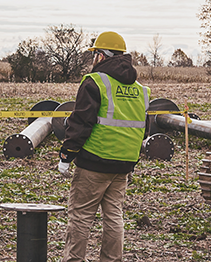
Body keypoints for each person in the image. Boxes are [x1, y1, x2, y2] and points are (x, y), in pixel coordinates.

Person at [58, 31, 148, 262]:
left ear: (101, 56)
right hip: (123, 164)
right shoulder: (140, 90)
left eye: (95, 54)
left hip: (94, 162)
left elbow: (81, 122)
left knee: (81, 216)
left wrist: (67, 154)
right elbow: (141, 128)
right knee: (114, 217)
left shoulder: (95, 82)